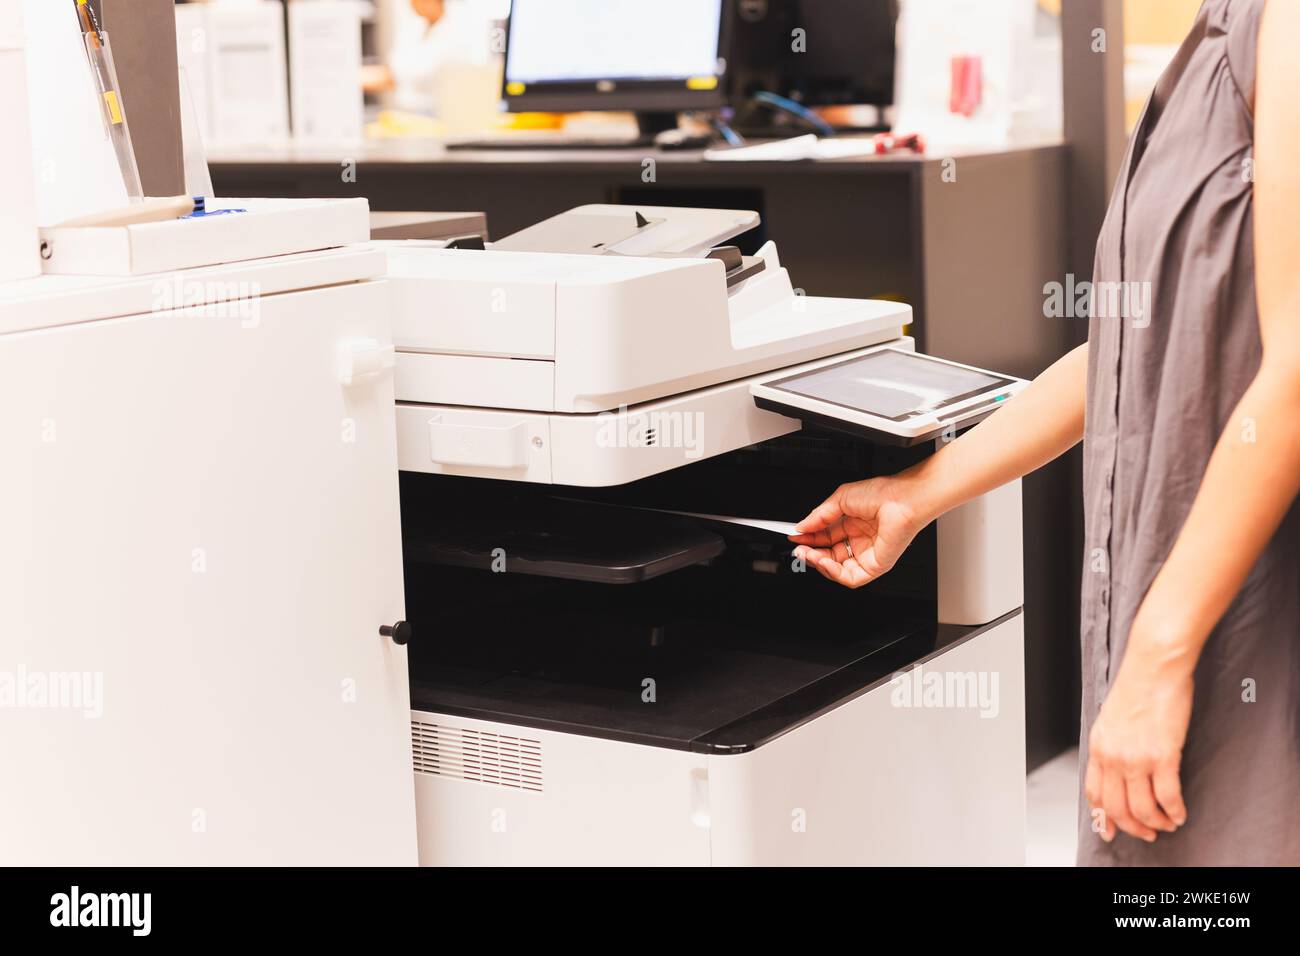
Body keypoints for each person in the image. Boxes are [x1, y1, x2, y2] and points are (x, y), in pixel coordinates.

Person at [791, 0, 1299, 866]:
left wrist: (1156, 657)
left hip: (1235, 624)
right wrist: (918, 494)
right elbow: (1133, 354)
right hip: (1177, 606)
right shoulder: (1218, 37)